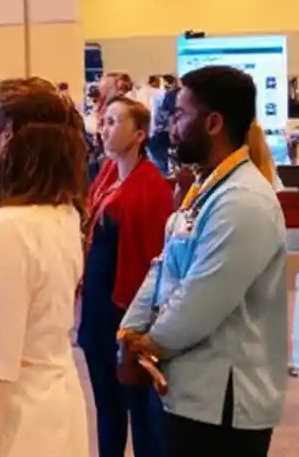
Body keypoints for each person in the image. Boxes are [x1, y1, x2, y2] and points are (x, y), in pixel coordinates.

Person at [119, 66, 288, 457]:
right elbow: (164, 266)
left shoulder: (243, 201)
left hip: (220, 405)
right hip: (181, 392)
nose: (171, 127)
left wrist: (148, 345)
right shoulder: (205, 187)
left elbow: (201, 300)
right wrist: (129, 332)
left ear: (213, 123)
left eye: (180, 114)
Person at [0, 80, 91, 457]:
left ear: (7, 136)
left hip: (15, 423)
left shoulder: (7, 228)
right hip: (55, 406)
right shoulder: (62, 210)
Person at [80, 97, 172, 457]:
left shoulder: (151, 188)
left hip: (127, 312)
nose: (105, 129)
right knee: (107, 407)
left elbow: (154, 260)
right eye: (104, 121)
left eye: (115, 121)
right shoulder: (105, 177)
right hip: (97, 308)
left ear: (139, 134)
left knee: (139, 410)